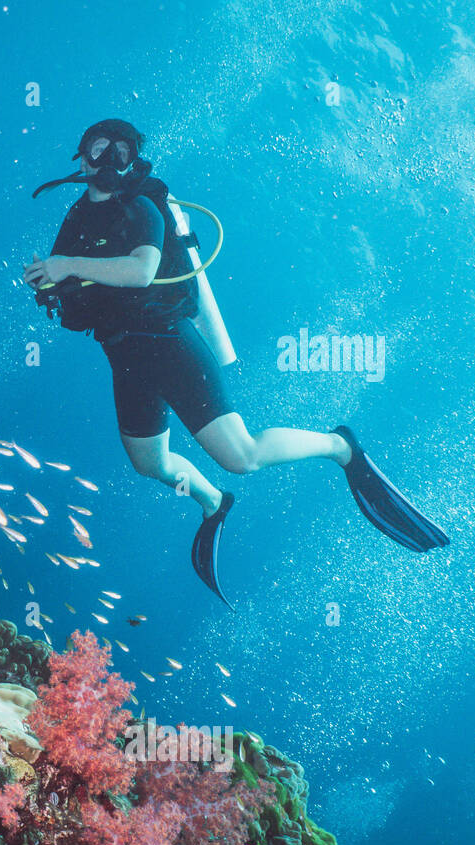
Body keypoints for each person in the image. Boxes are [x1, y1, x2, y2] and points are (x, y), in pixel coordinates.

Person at [24, 119, 448, 606]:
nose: (109, 160)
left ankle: (340, 446)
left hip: (169, 343)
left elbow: (141, 270)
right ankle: (213, 502)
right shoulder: (77, 218)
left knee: (240, 456)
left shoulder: (142, 207)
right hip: (123, 355)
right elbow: (71, 287)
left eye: (122, 151)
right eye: (100, 148)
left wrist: (68, 267)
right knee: (150, 463)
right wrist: (50, 284)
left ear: (133, 161)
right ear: (80, 156)